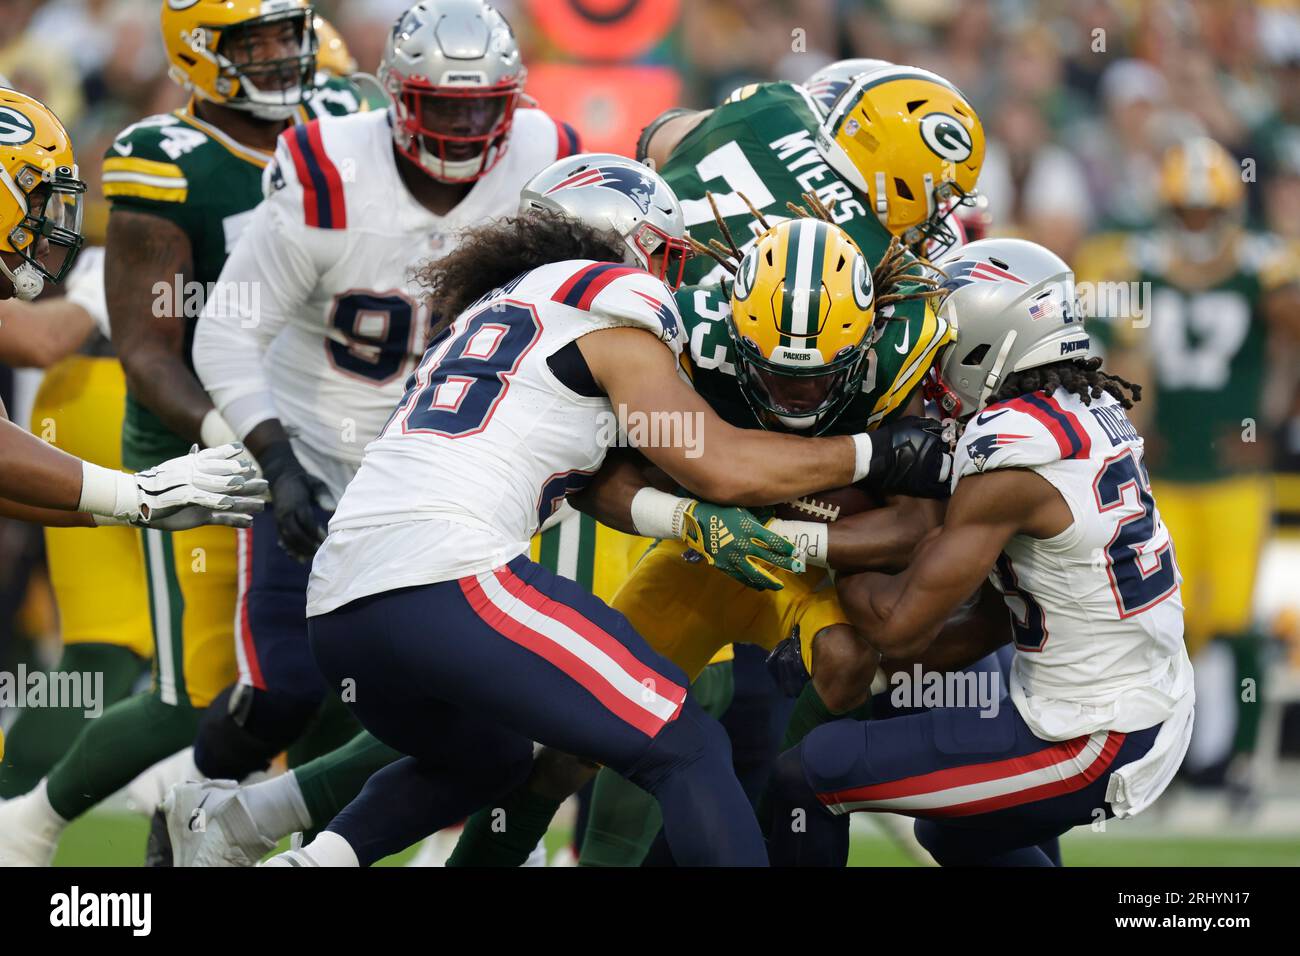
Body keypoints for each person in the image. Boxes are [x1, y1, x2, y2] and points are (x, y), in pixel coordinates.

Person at [256, 152, 947, 867]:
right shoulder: (611, 298)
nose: (670, 278)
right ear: (629, 242)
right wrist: (875, 454)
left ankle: (305, 856)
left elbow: (587, 474)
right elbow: (718, 462)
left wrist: (687, 519)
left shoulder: (501, 313)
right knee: (685, 745)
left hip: (342, 601)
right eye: (662, 256)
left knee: (492, 758)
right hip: (449, 573)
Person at [0, 0, 361, 867]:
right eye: (31, 199)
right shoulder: (169, 160)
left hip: (321, 434)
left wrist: (128, 505)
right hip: (202, 432)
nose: (49, 227)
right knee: (185, 677)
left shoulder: (347, 127)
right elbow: (132, 345)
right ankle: (31, 826)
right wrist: (145, 488)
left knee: (339, 670)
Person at [768, 238, 1194, 866]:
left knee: (808, 775)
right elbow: (1004, 612)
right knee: (957, 831)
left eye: (941, 342)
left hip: (1093, 734)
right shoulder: (1089, 409)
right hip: (1137, 700)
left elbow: (901, 625)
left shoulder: (1010, 444)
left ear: (985, 340)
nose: (928, 360)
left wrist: (818, 545)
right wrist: (879, 677)